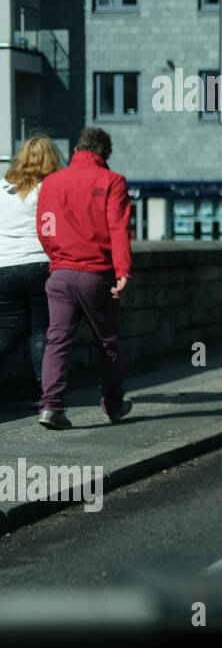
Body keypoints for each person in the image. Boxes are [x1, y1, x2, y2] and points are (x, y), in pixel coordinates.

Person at [35, 127, 132, 428]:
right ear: (105, 154)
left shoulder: (51, 182)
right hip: (96, 275)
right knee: (107, 341)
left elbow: (44, 227)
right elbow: (118, 229)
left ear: (78, 149)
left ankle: (51, 407)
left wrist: (58, 258)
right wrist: (123, 271)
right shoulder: (111, 181)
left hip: (60, 274)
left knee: (57, 341)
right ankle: (114, 405)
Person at [0, 135, 63, 405]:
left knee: (7, 332)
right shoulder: (50, 188)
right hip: (40, 265)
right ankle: (46, 396)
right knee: (42, 332)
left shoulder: (2, 186)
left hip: (5, 266)